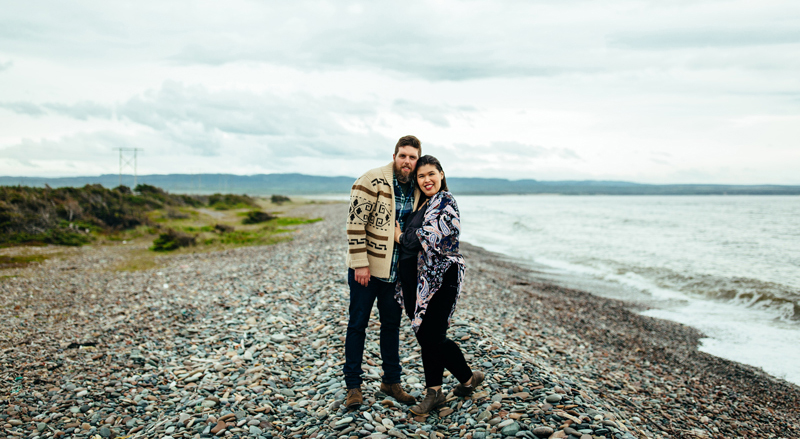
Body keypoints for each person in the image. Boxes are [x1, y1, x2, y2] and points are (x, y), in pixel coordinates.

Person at [393, 155, 485, 416]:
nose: (426, 180)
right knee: (428, 337)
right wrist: (406, 237)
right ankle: (468, 379)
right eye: (421, 176)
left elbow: (422, 239)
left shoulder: (445, 201)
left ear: (441, 174)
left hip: (441, 278)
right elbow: (414, 238)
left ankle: (434, 392)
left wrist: (400, 235)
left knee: (431, 337)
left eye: (431, 174)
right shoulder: (422, 206)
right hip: (415, 281)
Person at [343, 135, 422, 409]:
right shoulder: (371, 180)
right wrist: (360, 263)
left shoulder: (416, 188)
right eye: (403, 155)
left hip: (395, 274)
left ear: (417, 160)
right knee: (357, 326)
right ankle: (353, 386)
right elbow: (354, 224)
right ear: (394, 156)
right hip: (367, 271)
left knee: (391, 327)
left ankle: (391, 381)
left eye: (412, 157)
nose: (407, 161)